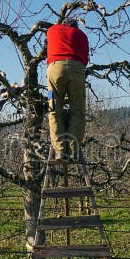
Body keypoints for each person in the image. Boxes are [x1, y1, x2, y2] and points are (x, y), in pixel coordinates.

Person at [45, 18, 89, 160]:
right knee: (77, 110)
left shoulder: (52, 30)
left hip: (55, 68)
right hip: (77, 68)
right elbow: (85, 59)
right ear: (76, 27)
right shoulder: (82, 35)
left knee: (54, 110)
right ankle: (73, 150)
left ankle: (60, 152)